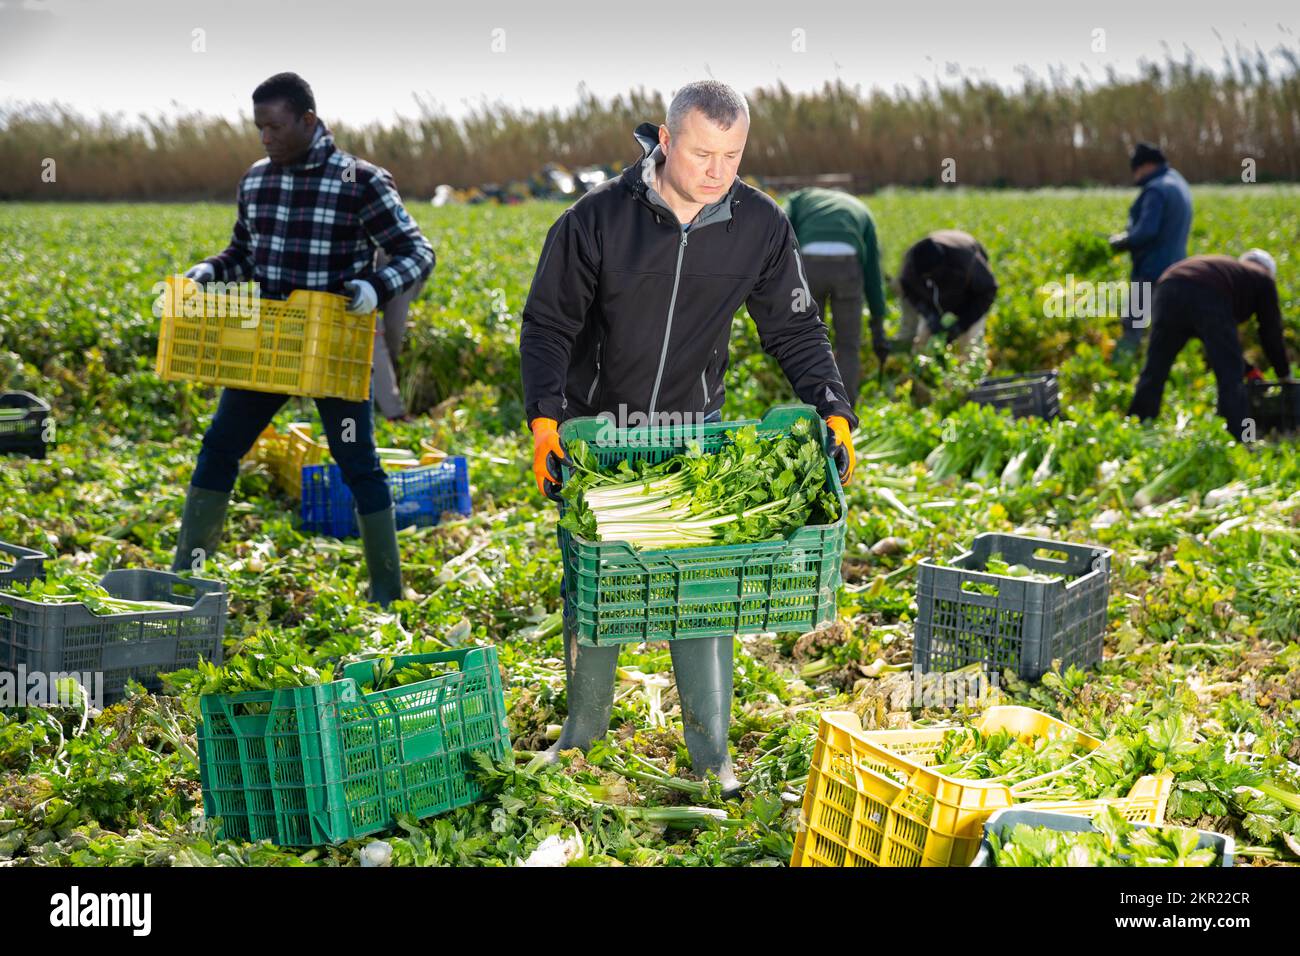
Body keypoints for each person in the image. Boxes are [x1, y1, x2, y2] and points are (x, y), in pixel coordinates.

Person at [519, 80, 858, 797]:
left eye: (732, 155)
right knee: (598, 588)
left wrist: (832, 407)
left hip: (693, 433)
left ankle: (712, 758)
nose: (717, 171)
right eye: (703, 153)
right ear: (666, 141)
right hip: (598, 436)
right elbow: (549, 324)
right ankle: (581, 740)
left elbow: (793, 326)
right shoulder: (597, 220)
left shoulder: (760, 224)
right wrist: (546, 423)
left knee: (701, 595)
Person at [174, 72, 434, 606]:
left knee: (357, 462)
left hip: (335, 349)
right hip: (273, 348)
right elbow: (244, 254)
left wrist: (373, 285)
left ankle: (388, 591)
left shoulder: (360, 181)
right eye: (258, 127)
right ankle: (186, 577)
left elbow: (416, 252)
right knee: (219, 448)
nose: (265, 136)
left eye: (274, 125)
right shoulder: (257, 181)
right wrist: (209, 270)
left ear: (308, 121)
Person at [1128, 250, 1292, 441]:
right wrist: (1284, 374)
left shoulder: (1228, 270)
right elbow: (1270, 332)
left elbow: (1215, 344)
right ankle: (1239, 438)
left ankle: (1137, 426)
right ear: (1269, 270)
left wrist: (1246, 368)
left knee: (1155, 367)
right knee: (1230, 378)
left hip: (1167, 288)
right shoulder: (1263, 278)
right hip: (1205, 293)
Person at [785, 186, 889, 402]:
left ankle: (811, 406)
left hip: (809, 262)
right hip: (848, 265)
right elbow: (872, 272)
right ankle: (845, 412)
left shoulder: (800, 198)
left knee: (808, 340)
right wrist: (878, 324)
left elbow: (779, 226)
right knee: (848, 345)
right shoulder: (861, 210)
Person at [1109, 142, 1193, 355]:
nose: (1135, 175)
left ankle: (1126, 368)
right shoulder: (1178, 182)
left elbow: (1146, 231)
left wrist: (1122, 241)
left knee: (1134, 325)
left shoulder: (1156, 190)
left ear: (1146, 166)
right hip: (1176, 266)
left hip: (1151, 269)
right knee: (1167, 326)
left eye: (1136, 169)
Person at [893, 230, 996, 357]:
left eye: (931, 276)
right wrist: (929, 314)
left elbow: (987, 292)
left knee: (970, 345)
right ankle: (921, 373)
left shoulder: (967, 262)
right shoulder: (911, 267)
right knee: (922, 340)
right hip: (933, 302)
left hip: (970, 299)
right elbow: (910, 293)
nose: (928, 279)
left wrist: (962, 324)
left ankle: (968, 374)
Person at [371, 246, 427, 421]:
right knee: (375, 337)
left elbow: (394, 329)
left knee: (384, 340)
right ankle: (391, 410)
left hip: (399, 274)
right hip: (367, 278)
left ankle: (392, 411)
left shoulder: (406, 266)